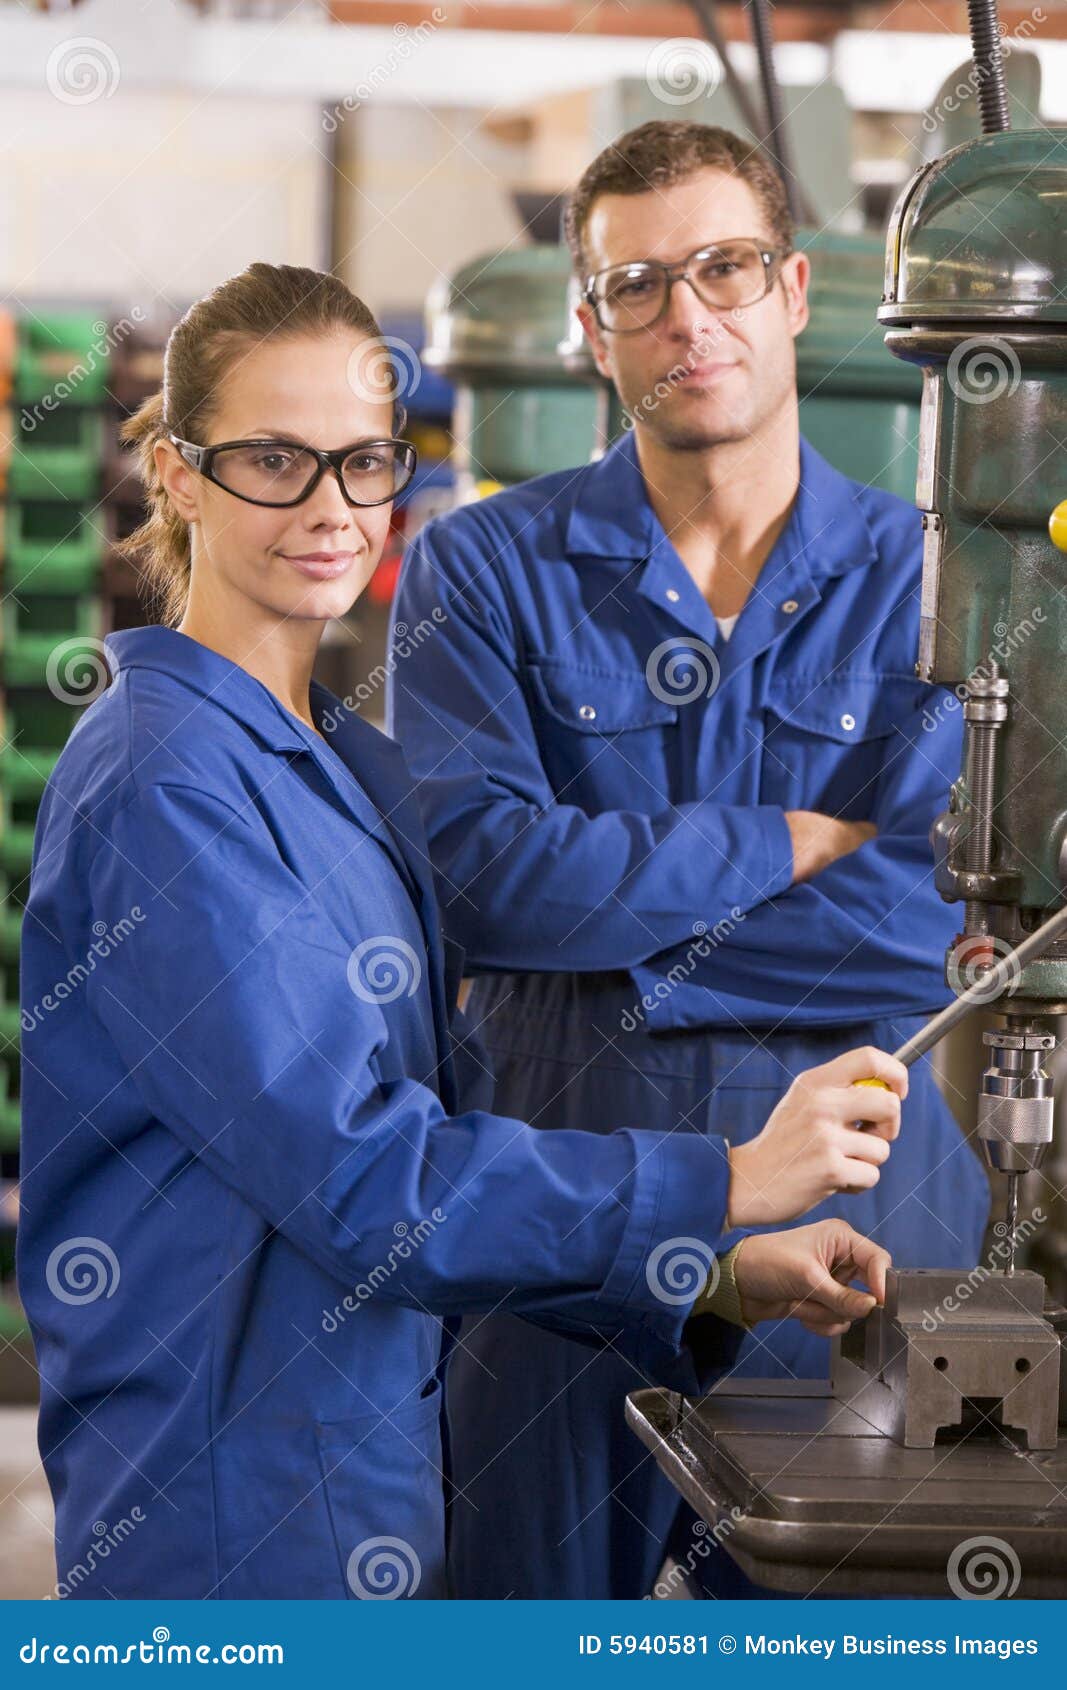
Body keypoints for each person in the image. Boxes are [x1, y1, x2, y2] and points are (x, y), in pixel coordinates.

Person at [16, 262, 902, 1601]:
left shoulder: (342, 767)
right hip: (229, 1529)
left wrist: (707, 1275)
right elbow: (373, 1184)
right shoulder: (167, 782)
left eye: (365, 461)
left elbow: (438, 1165)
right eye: (274, 459)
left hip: (366, 1478)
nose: (330, 509)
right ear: (179, 474)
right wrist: (717, 1180)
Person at [389, 120, 991, 1599]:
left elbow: (922, 922)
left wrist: (611, 943)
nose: (688, 315)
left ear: (792, 288)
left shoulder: (935, 584)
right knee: (530, 1640)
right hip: (571, 1234)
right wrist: (799, 841)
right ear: (592, 328)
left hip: (871, 1230)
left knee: (846, 1632)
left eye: (723, 267)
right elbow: (474, 877)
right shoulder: (484, 567)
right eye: (640, 284)